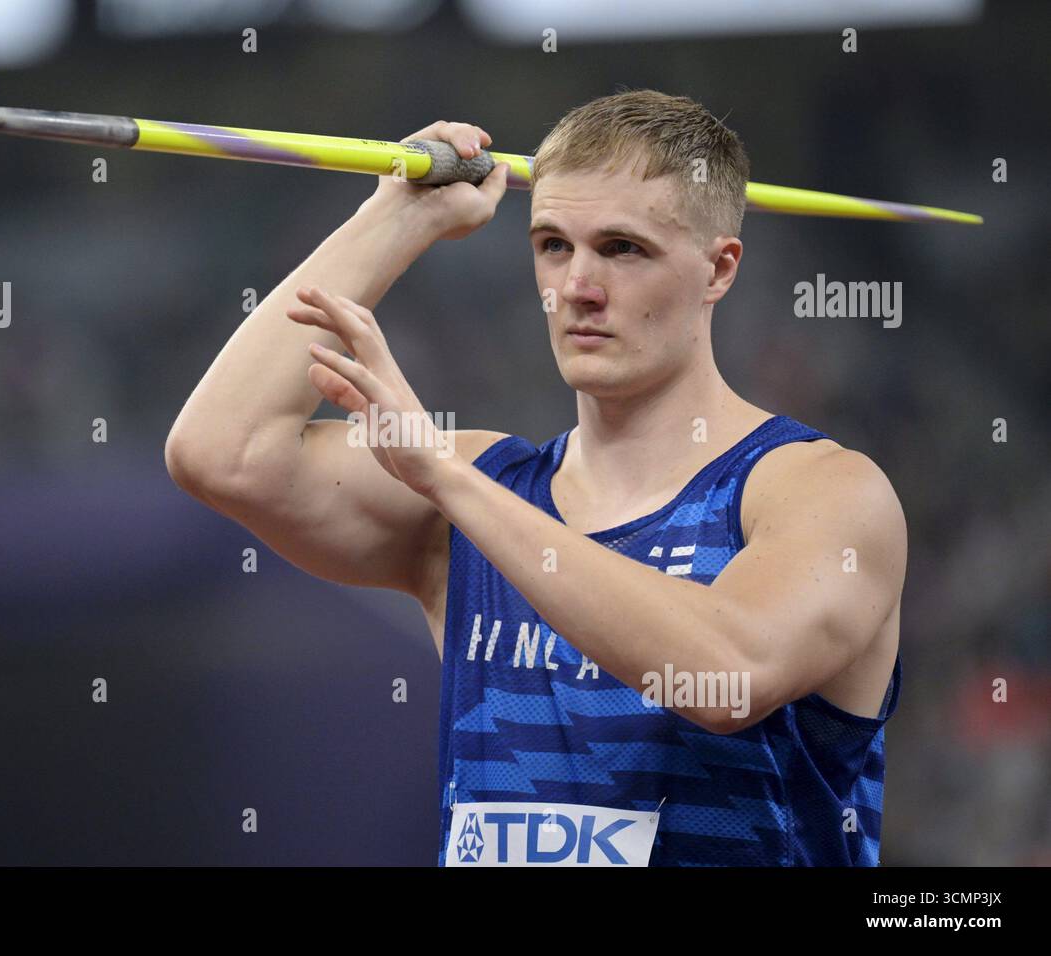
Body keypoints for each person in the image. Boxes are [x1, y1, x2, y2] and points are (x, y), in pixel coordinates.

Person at [165, 89, 906, 866]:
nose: (576, 287)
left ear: (719, 269)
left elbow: (727, 677)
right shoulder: (483, 485)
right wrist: (395, 219)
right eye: (553, 244)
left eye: (623, 248)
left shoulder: (821, 489)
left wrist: (449, 482)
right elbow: (221, 453)